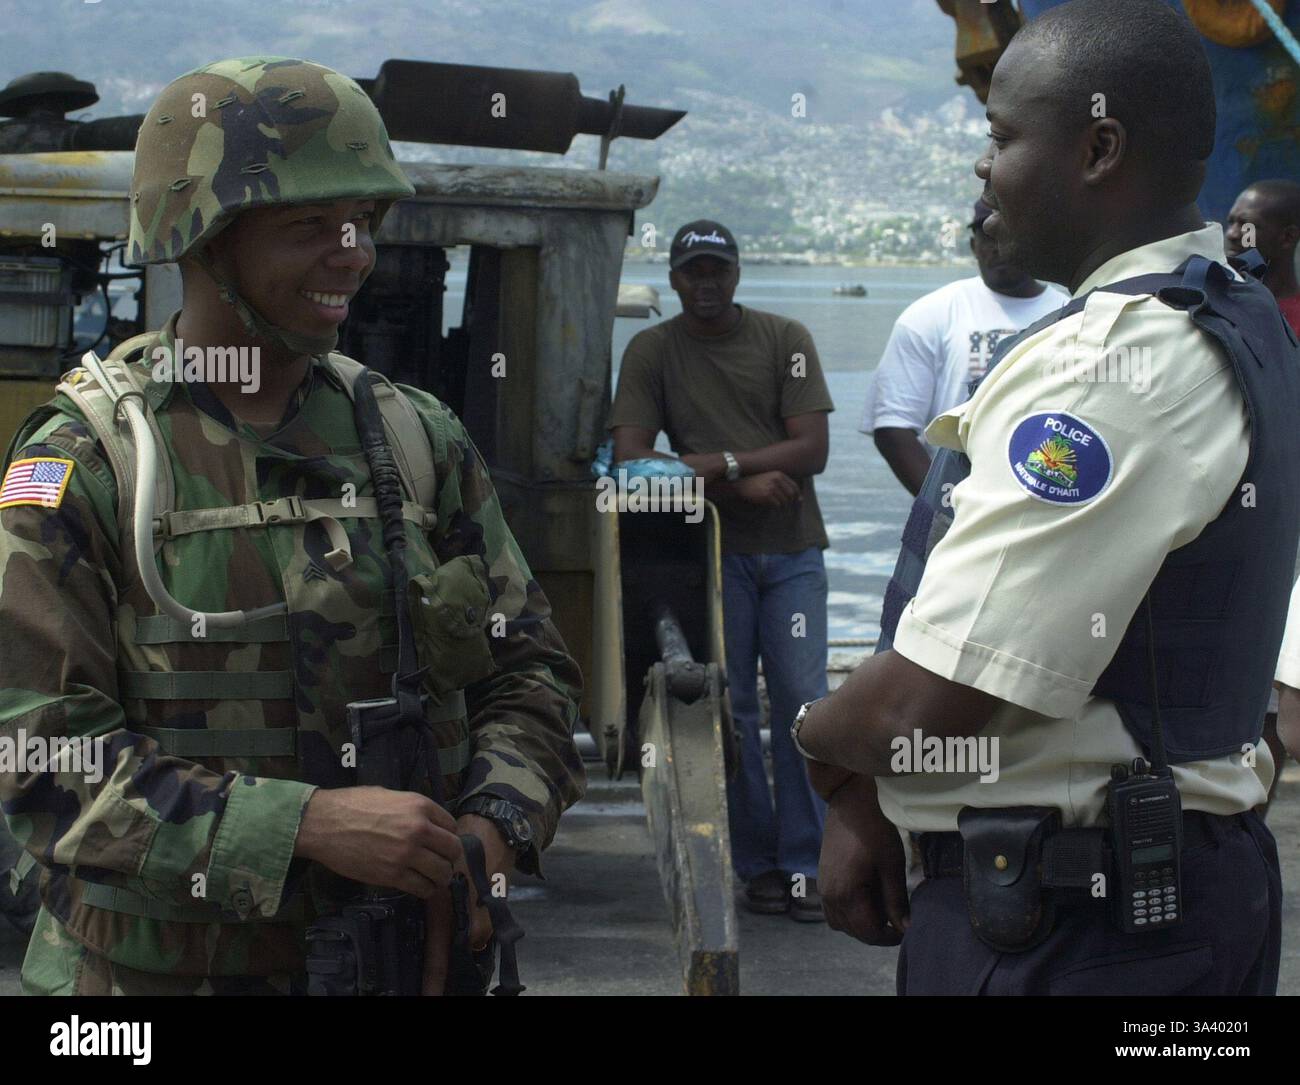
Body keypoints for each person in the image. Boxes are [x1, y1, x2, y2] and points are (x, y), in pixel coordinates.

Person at [0, 56, 586, 995]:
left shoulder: (415, 439)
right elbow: (39, 764)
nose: (354, 254)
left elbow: (531, 675)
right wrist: (305, 826)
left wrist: (489, 832)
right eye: (310, 226)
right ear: (201, 240)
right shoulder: (90, 462)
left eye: (363, 223)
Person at [793, 0, 1297, 995]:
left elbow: (918, 709)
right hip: (1174, 893)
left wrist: (820, 741)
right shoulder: (1236, 314)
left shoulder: (1109, 364)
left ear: (1099, 148)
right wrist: (865, 793)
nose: (983, 167)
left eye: (1002, 136)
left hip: (1074, 931)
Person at [608, 220, 834, 921]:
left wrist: (717, 463)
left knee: (803, 704)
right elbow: (631, 461)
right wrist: (740, 482)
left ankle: (808, 864)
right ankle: (758, 865)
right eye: (693, 272)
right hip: (712, 554)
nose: (706, 284)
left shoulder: (786, 339)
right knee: (729, 708)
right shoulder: (652, 350)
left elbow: (813, 449)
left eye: (717, 270)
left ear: (736, 273)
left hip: (792, 551)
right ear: (674, 278)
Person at [863, 200, 1066, 495]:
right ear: (973, 246)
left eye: (1008, 234)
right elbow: (893, 427)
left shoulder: (1071, 316)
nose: (997, 248)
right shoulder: (929, 314)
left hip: (1047, 500)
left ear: (1032, 241)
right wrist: (943, 504)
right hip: (953, 502)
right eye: (987, 237)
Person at [1225, 179, 1300, 335]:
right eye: (1231, 222)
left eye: (1247, 225)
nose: (1232, 234)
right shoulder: (1211, 301)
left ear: (1287, 237)